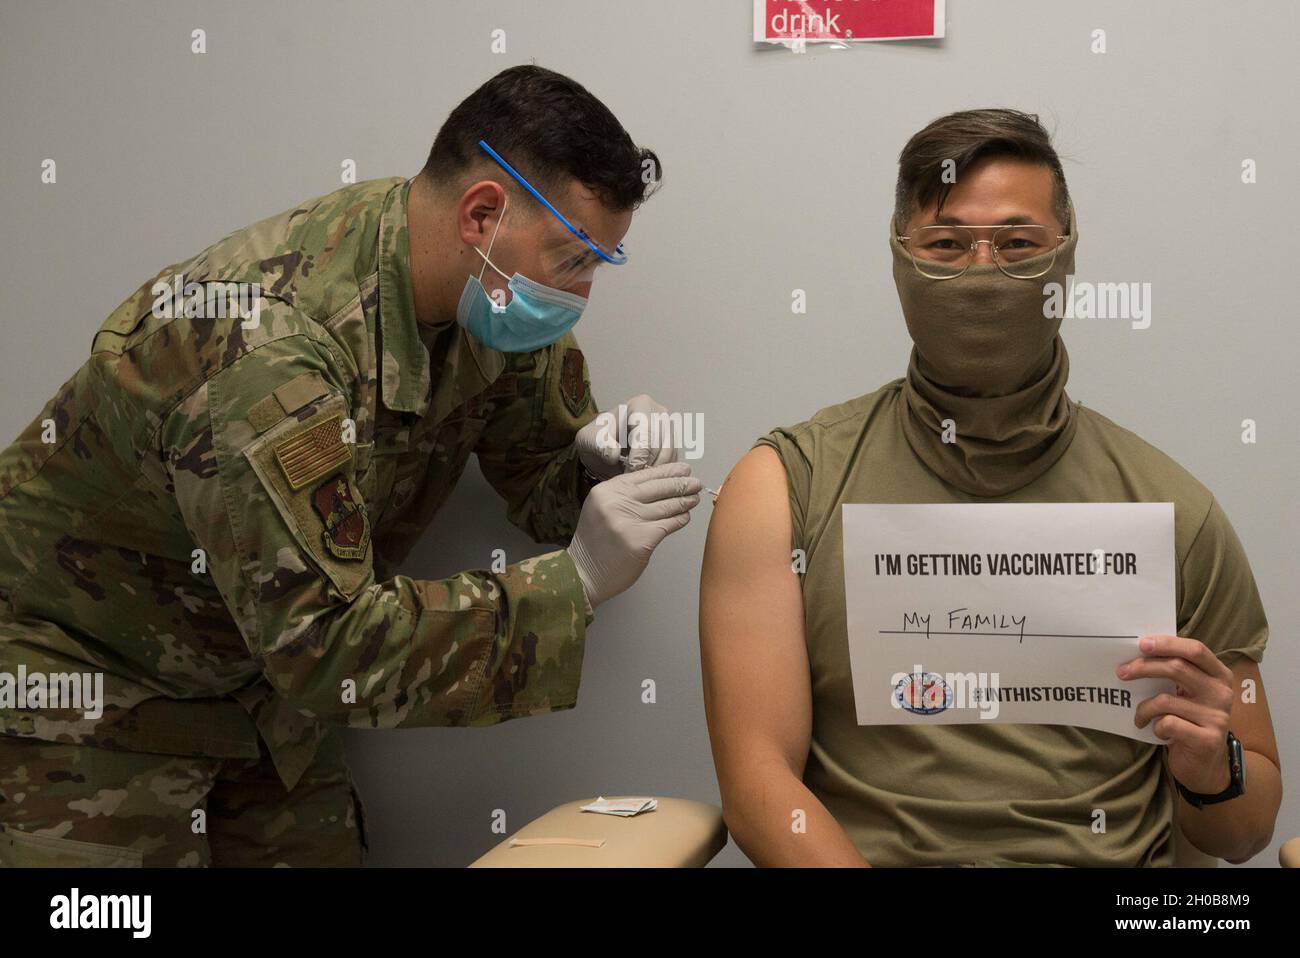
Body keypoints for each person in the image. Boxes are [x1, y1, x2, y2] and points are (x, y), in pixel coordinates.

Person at [0, 65, 701, 867]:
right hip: (89, 693)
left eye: (597, 266)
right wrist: (572, 584)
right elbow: (325, 645)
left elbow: (539, 473)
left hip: (261, 700)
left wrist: (602, 471)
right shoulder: (267, 351)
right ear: (481, 213)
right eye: (574, 259)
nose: (579, 295)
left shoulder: (490, 294)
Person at [699, 109, 1281, 867]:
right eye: (947, 244)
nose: (980, 271)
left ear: (1065, 257)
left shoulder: (1175, 513)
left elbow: (1245, 833)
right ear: (901, 257)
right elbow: (758, 786)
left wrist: (1215, 769)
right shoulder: (783, 491)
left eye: (1017, 245)